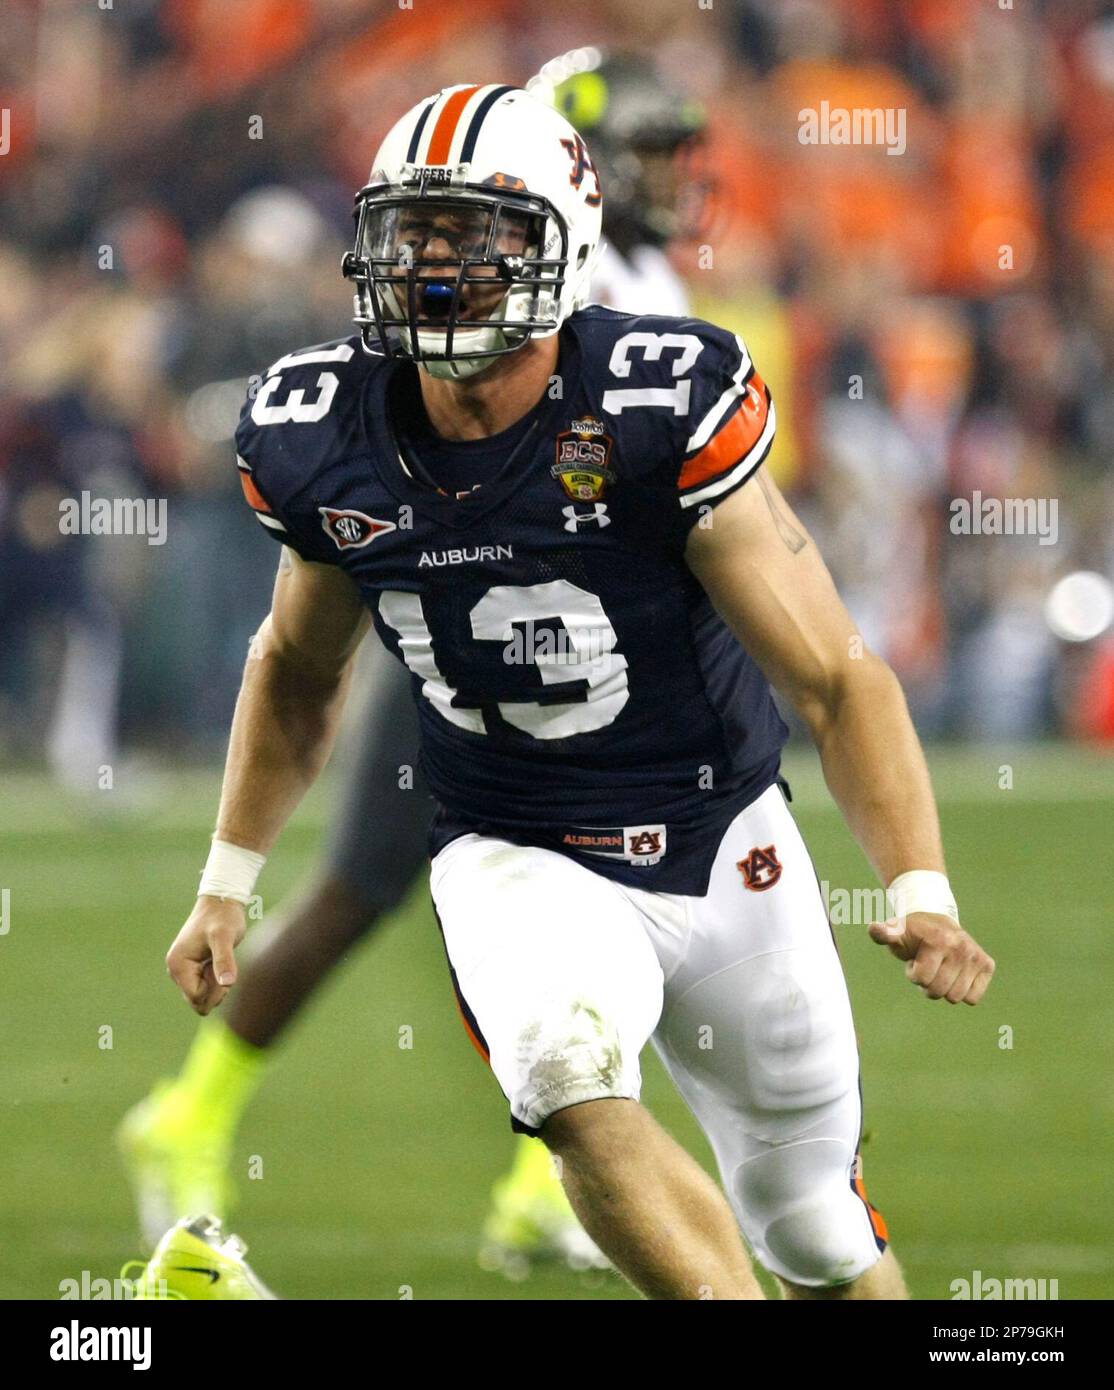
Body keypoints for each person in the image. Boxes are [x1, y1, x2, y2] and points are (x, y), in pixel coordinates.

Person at [138, 83, 994, 1301]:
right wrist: (227, 881)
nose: (433, 268)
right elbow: (294, 668)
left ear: (559, 245)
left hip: (719, 832)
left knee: (816, 1229)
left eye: (470, 236)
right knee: (563, 1075)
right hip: (514, 843)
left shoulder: (656, 399)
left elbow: (834, 677)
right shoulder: (321, 429)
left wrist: (919, 886)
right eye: (411, 232)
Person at [117, 52, 709, 1277]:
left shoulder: (637, 282)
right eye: (647, 151)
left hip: (585, 642)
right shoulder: (549, 275)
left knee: (620, 889)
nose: (668, 178)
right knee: (380, 887)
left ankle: (537, 1183)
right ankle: (190, 1114)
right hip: (482, 639)